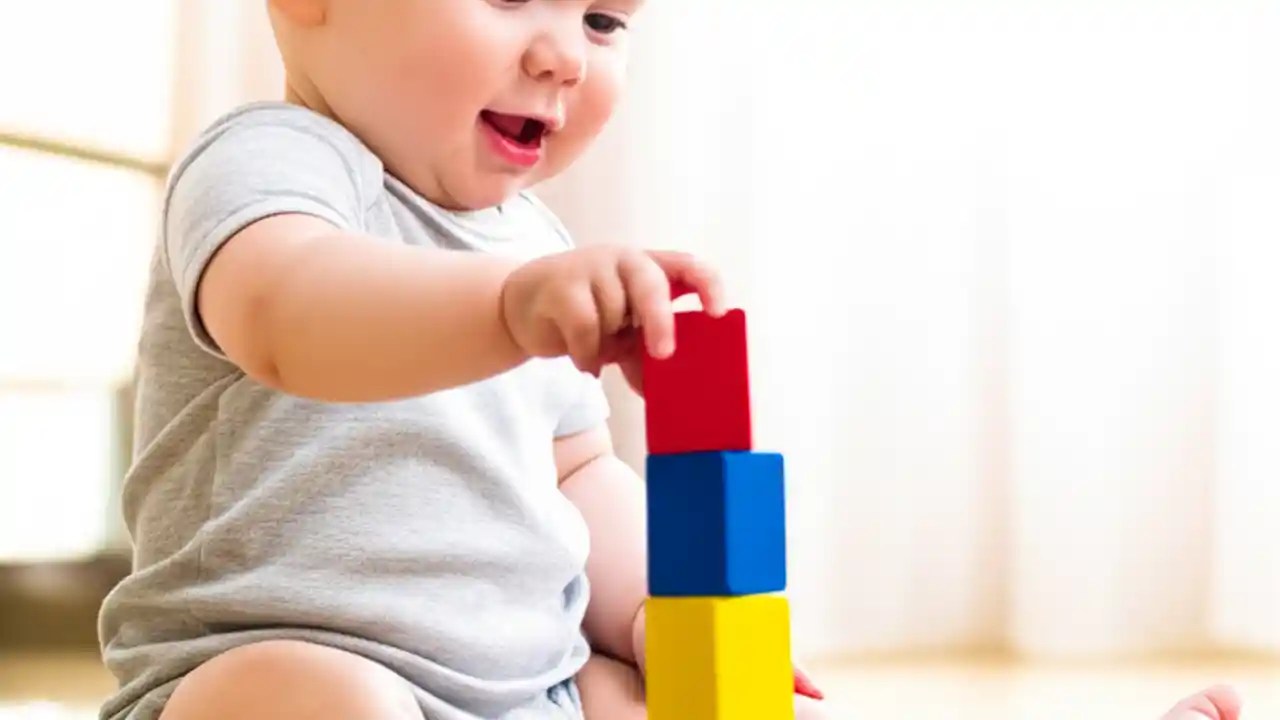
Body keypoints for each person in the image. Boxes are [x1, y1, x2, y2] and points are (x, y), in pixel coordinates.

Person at [94, 2, 1244, 719]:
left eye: (603, 20)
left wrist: (659, 618)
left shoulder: (531, 246)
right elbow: (291, 320)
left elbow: (580, 480)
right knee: (311, 701)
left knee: (695, 709)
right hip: (260, 679)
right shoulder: (273, 162)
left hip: (528, 692)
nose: (562, 56)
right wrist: (511, 305)